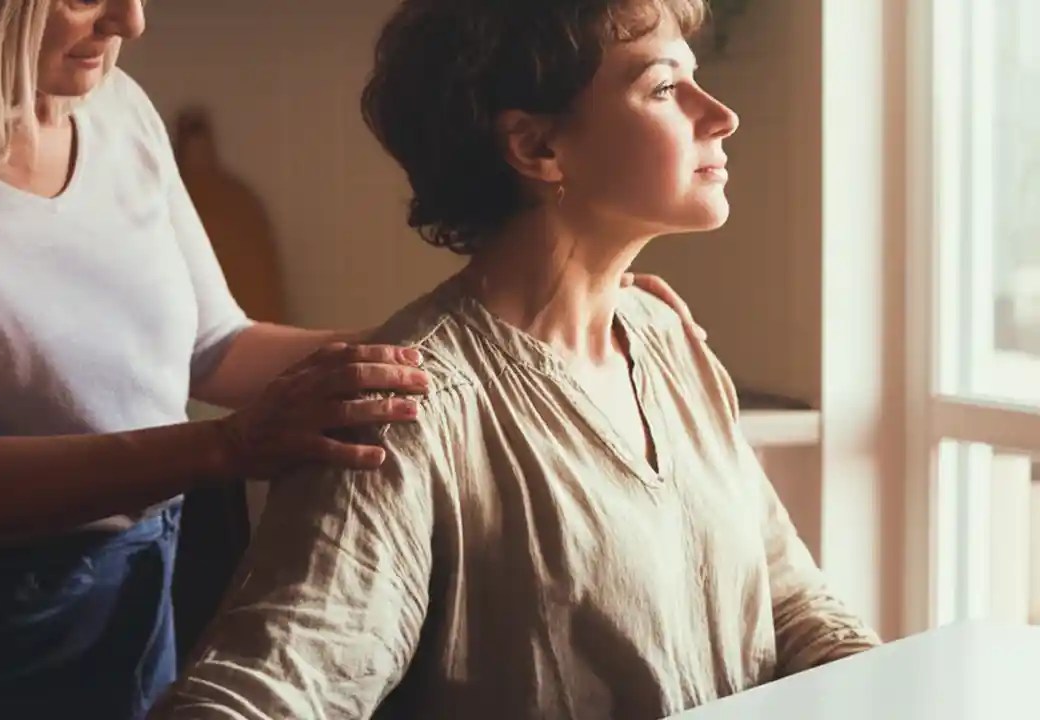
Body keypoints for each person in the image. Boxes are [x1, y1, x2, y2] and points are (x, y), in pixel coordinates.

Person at [0, 0, 698, 718]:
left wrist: (504, 338)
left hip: (148, 597)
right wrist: (224, 450)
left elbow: (216, 346)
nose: (132, 21)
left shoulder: (119, 111)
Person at [151, 0, 881, 718]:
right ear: (536, 148)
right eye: (664, 87)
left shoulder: (668, 339)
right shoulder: (405, 408)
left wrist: (893, 688)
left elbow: (789, 604)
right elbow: (266, 688)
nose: (720, 114)